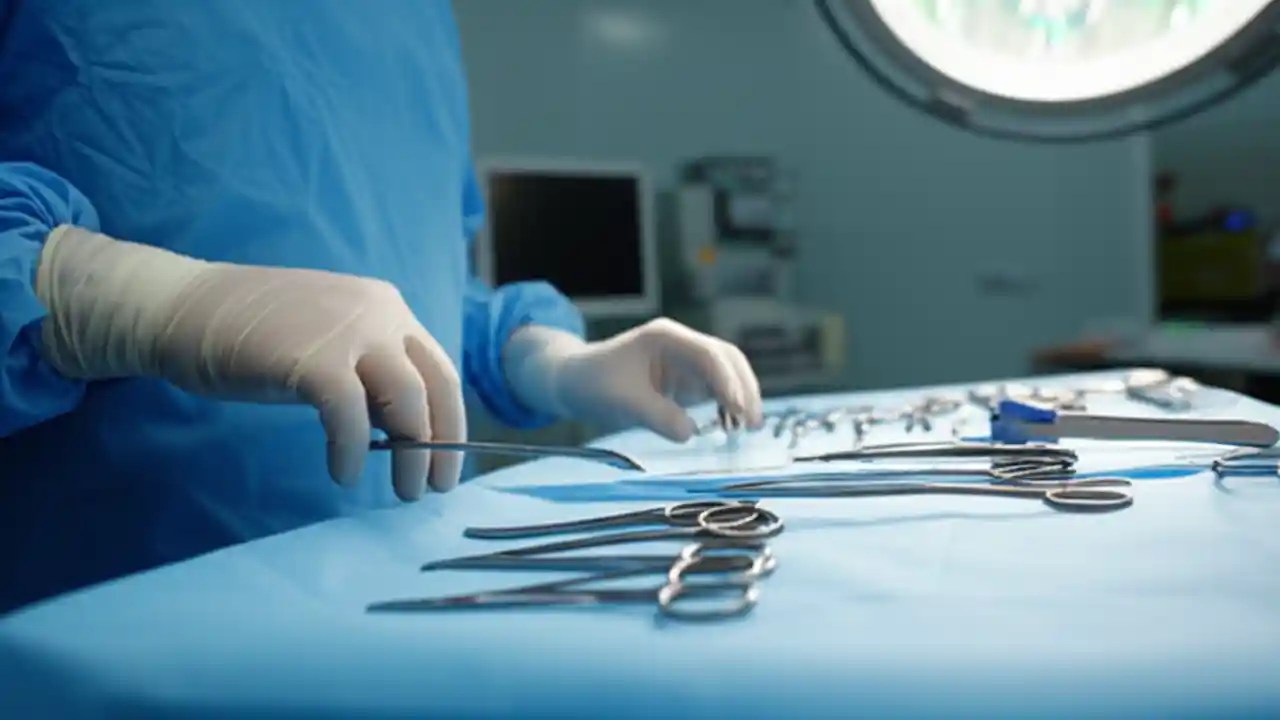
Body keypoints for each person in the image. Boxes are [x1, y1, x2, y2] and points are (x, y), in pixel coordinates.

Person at [0, 2, 763, 613]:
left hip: (402, 572)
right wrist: (141, 302)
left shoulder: (416, 17)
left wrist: (552, 364)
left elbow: (409, 280)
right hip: (115, 607)